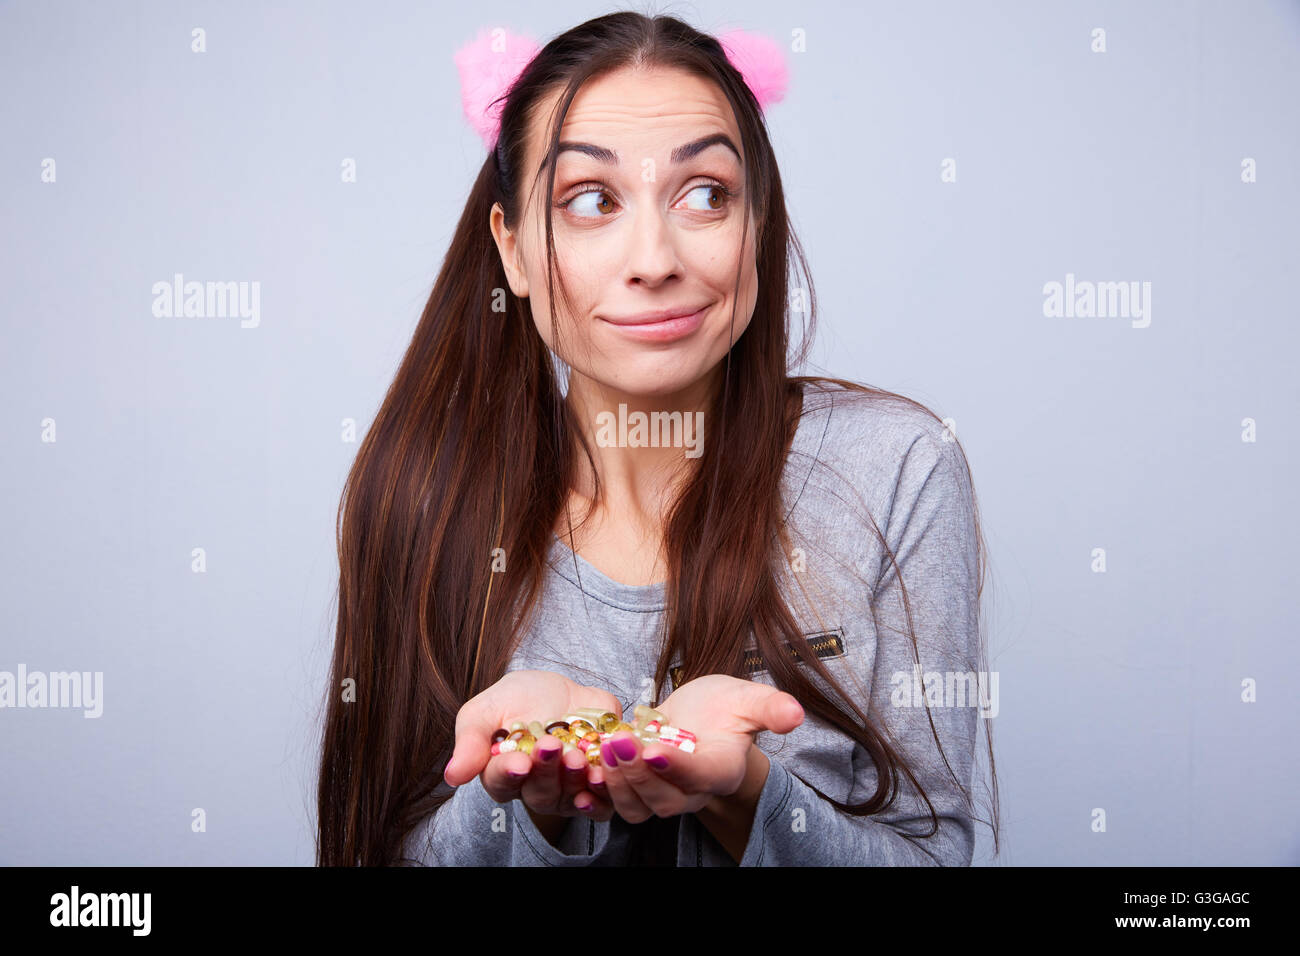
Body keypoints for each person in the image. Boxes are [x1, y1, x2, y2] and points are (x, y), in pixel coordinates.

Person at [315, 10, 999, 866]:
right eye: (591, 201)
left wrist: (747, 792)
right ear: (515, 249)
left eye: (705, 194)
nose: (654, 258)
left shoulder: (896, 469)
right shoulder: (420, 500)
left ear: (758, 226)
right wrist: (519, 798)